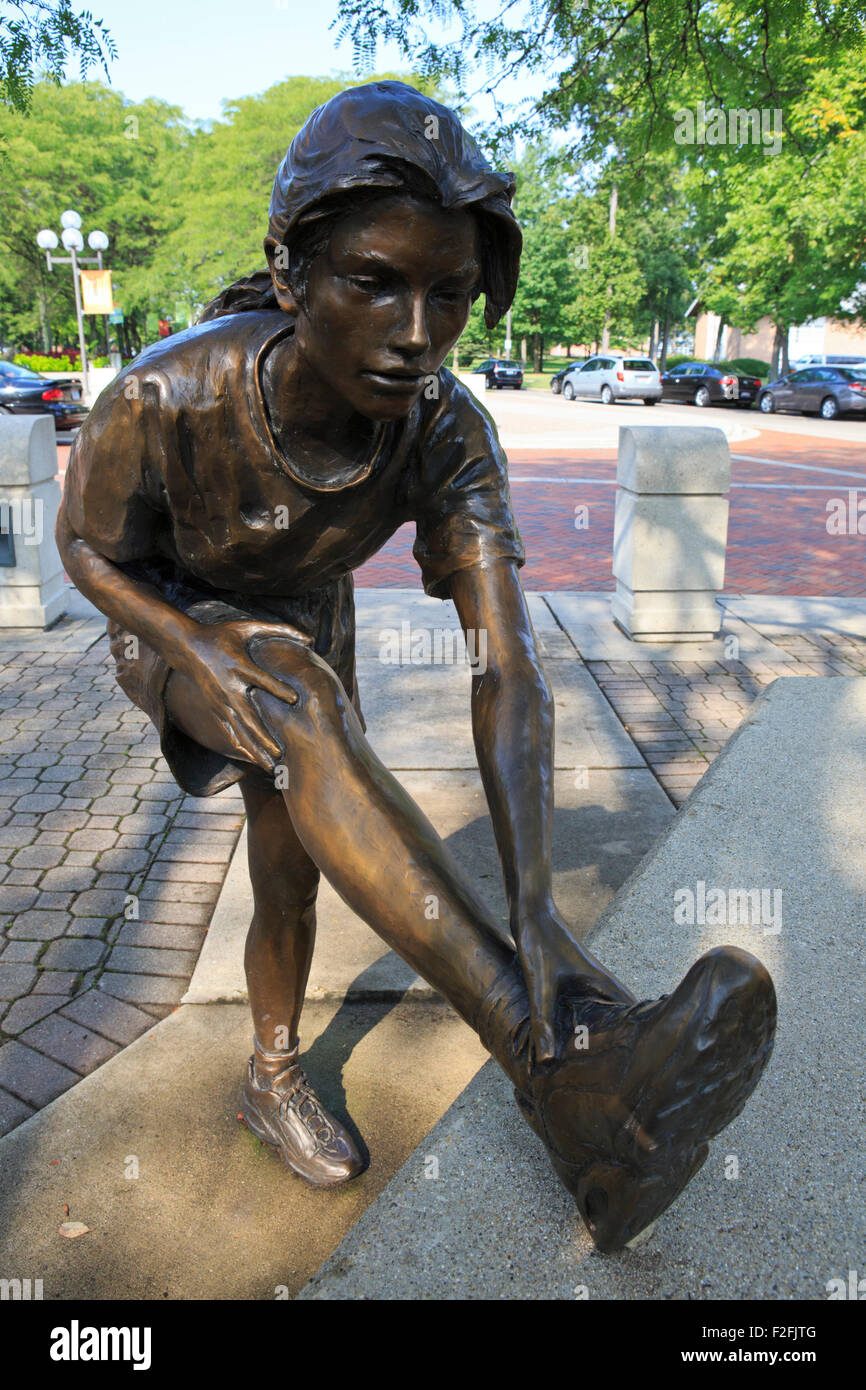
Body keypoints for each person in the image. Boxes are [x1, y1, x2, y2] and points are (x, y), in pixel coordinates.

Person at [56, 81, 775, 1252]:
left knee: (291, 861)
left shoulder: (445, 428)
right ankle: (560, 1077)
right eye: (373, 283)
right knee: (293, 695)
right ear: (291, 275)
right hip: (170, 613)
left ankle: (309, 1064)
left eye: (448, 296)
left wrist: (535, 905)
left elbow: (506, 663)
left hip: (301, 632)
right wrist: (186, 641)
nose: (413, 333)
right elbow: (85, 547)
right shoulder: (166, 392)